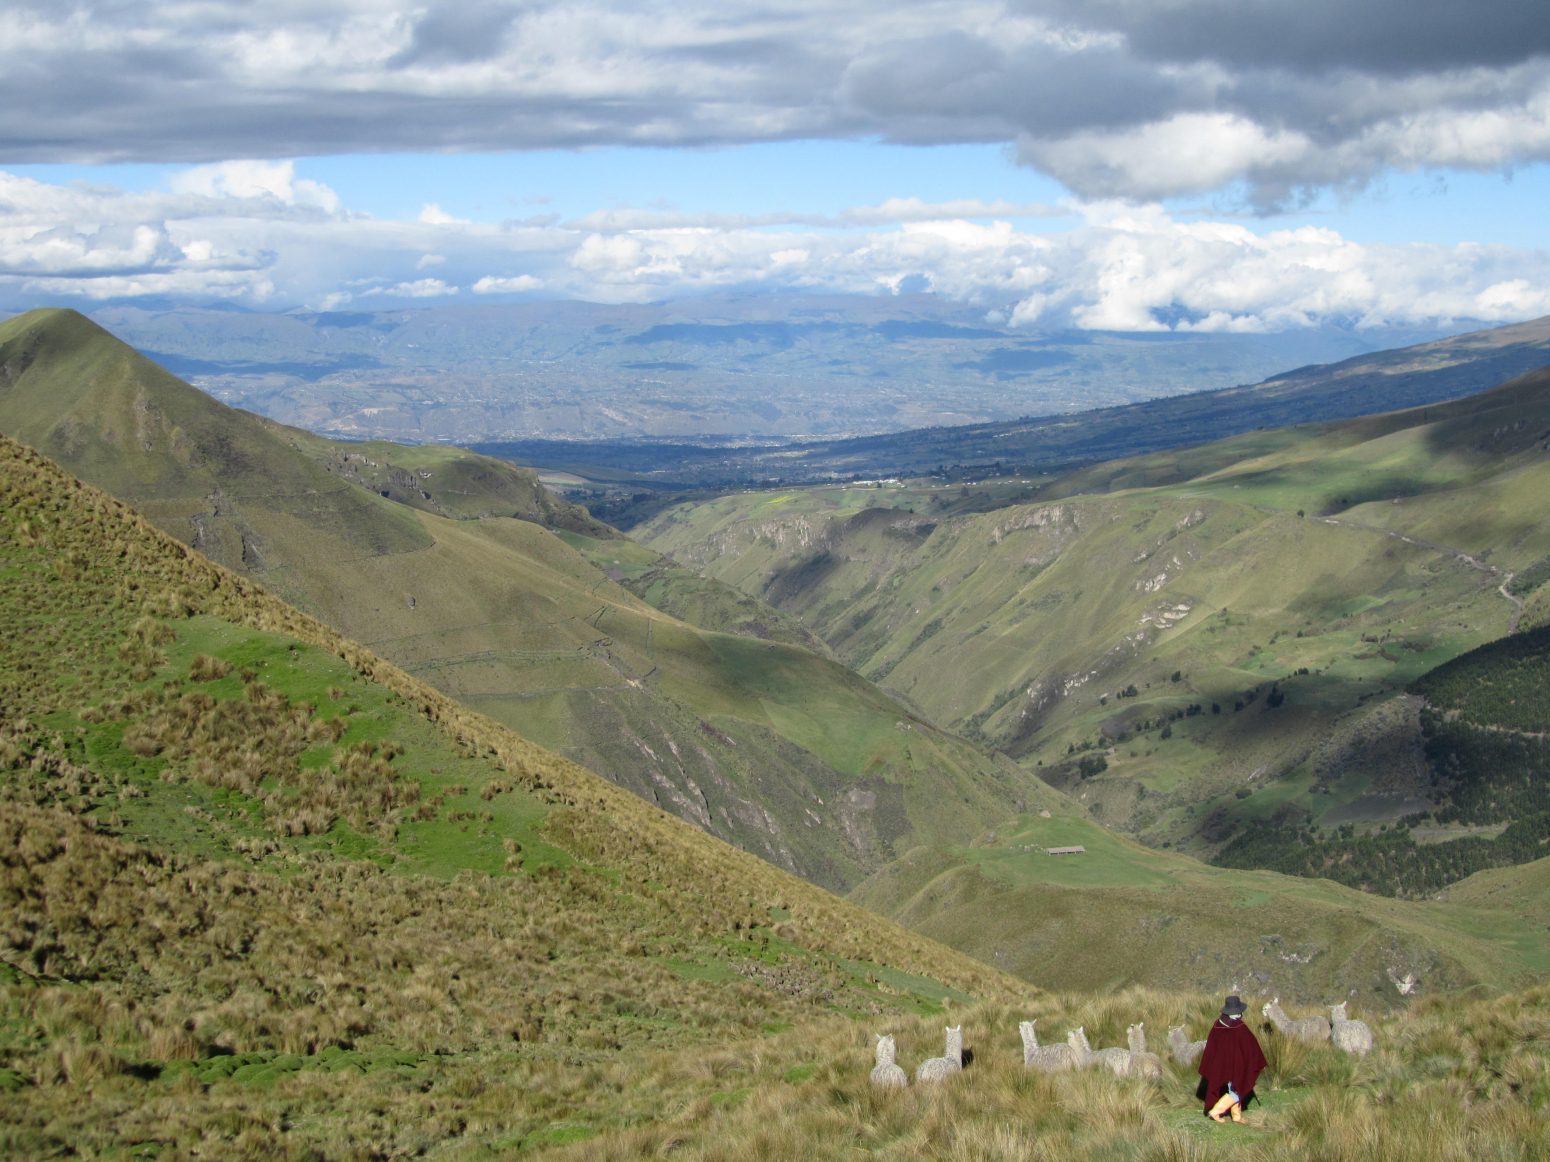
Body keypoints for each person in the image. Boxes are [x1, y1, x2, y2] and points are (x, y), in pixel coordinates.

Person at [1197, 995, 1267, 1123]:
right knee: (1237, 1088)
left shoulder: (1218, 1024)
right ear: (1238, 1012)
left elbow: (1212, 1045)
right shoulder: (1239, 1027)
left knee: (1235, 1087)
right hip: (1236, 1065)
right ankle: (1215, 1111)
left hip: (1221, 1065)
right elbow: (1250, 1045)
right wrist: (1256, 1059)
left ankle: (1236, 1116)